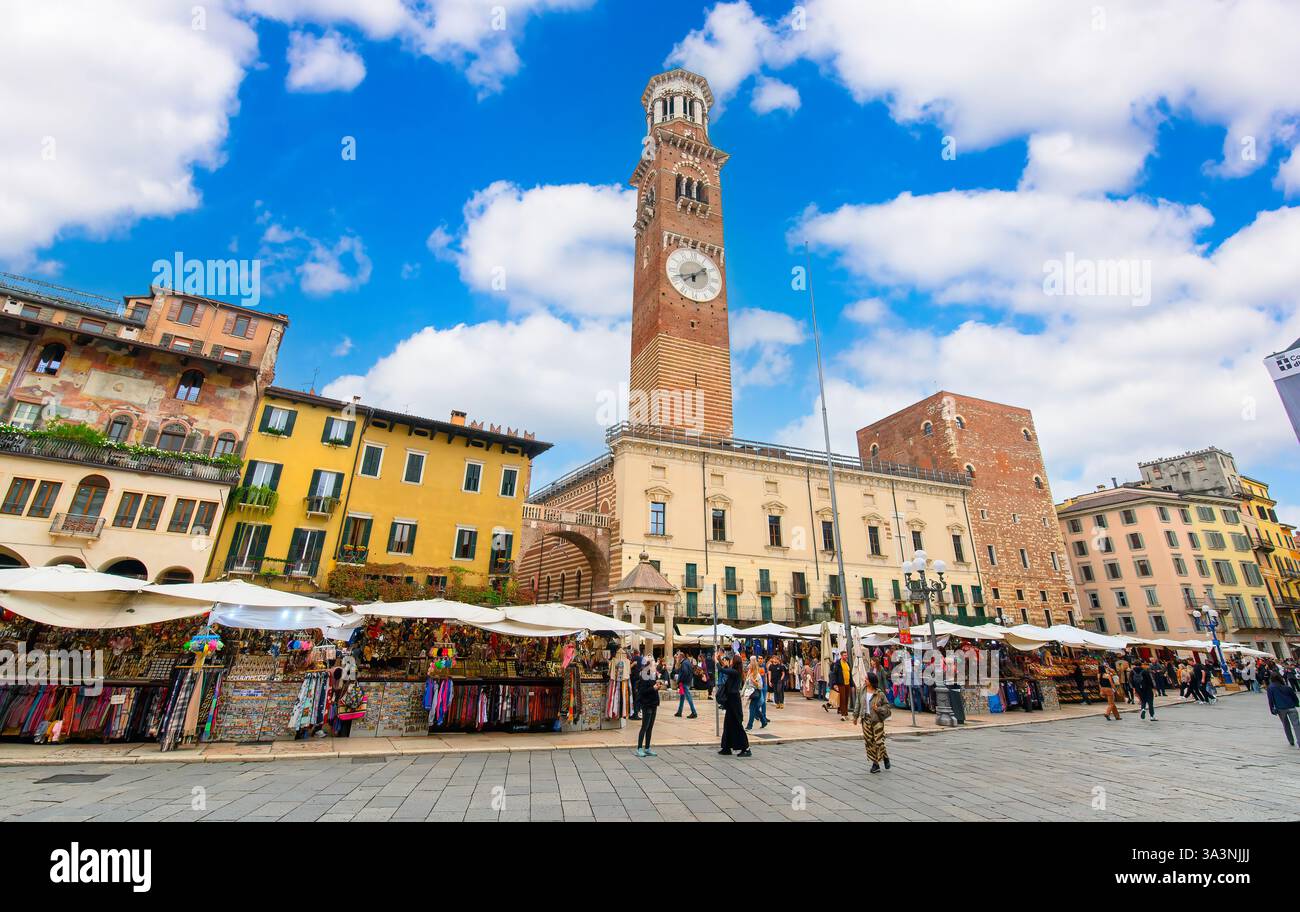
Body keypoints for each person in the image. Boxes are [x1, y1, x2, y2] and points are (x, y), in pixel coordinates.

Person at [718, 655, 751, 757]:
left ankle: (746, 748)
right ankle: (726, 747)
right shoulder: (734, 671)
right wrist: (719, 659)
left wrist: (716, 661)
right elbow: (725, 668)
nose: (731, 661)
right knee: (728, 723)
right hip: (731, 700)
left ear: (735, 662)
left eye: (732, 660)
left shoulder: (736, 672)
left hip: (734, 701)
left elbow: (722, 670)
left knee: (737, 724)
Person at [860, 671, 891, 774]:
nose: (865, 680)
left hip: (877, 720)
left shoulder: (880, 694)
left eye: (867, 679)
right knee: (869, 742)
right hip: (866, 719)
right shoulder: (862, 691)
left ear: (871, 681)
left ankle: (884, 756)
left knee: (879, 742)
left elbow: (887, 707)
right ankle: (875, 763)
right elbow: (857, 704)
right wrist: (855, 716)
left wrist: (878, 709)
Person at [634, 658, 662, 758]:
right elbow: (642, 692)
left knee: (650, 727)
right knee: (644, 727)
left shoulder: (652, 676)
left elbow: (652, 688)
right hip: (647, 704)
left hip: (653, 703)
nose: (656, 666)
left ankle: (647, 748)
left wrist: (657, 686)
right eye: (654, 665)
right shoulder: (644, 676)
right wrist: (653, 688)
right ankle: (639, 748)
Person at [1266, 673, 1300, 748]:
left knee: (1286, 725)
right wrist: (1297, 704)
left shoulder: (1270, 688)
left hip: (1281, 709)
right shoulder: (1287, 687)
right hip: (1291, 707)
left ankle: (1291, 740)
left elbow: (1271, 700)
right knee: (1297, 725)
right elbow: (1294, 697)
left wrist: (1272, 709)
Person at [825, 649, 852, 720]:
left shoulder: (848, 663)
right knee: (842, 699)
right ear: (841, 656)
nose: (846, 656)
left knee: (846, 699)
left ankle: (846, 714)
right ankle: (843, 714)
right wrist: (834, 684)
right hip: (841, 684)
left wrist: (852, 684)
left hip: (847, 683)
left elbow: (850, 674)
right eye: (844, 655)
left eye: (846, 655)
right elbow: (834, 674)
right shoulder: (838, 663)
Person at [745, 656, 768, 730]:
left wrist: (753, 681)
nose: (749, 668)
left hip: (756, 693)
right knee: (755, 709)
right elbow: (746, 683)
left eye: (750, 667)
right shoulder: (749, 674)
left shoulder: (757, 675)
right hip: (750, 693)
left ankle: (749, 726)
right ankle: (764, 721)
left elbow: (760, 686)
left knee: (752, 708)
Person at [674, 651, 698, 719]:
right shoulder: (686, 662)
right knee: (682, 697)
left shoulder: (684, 663)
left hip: (684, 683)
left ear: (681, 657)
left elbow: (685, 672)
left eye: (678, 656)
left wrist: (681, 680)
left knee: (688, 697)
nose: (677, 658)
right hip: (686, 682)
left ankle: (694, 712)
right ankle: (679, 712)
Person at [629, 648, 644, 720]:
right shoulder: (642, 658)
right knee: (637, 697)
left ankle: (635, 714)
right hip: (640, 680)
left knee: (635, 697)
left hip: (634, 680)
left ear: (634, 653)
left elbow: (629, 668)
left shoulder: (634, 658)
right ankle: (636, 713)